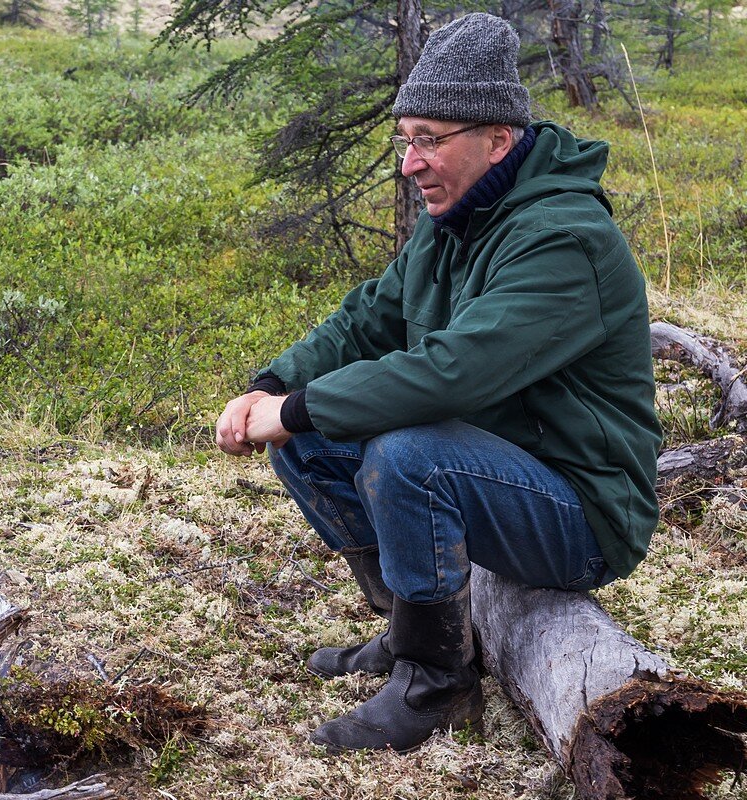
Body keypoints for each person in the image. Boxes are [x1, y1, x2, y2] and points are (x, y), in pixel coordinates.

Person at [214, 12, 661, 754]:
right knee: (312, 441)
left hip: (582, 512)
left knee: (405, 453)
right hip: (502, 468)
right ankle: (412, 631)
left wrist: (297, 408)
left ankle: (438, 683)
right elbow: (368, 319)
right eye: (406, 138)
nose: (410, 162)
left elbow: (453, 375)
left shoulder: (563, 238)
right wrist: (273, 386)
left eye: (430, 139)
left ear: (497, 139)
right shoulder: (457, 220)